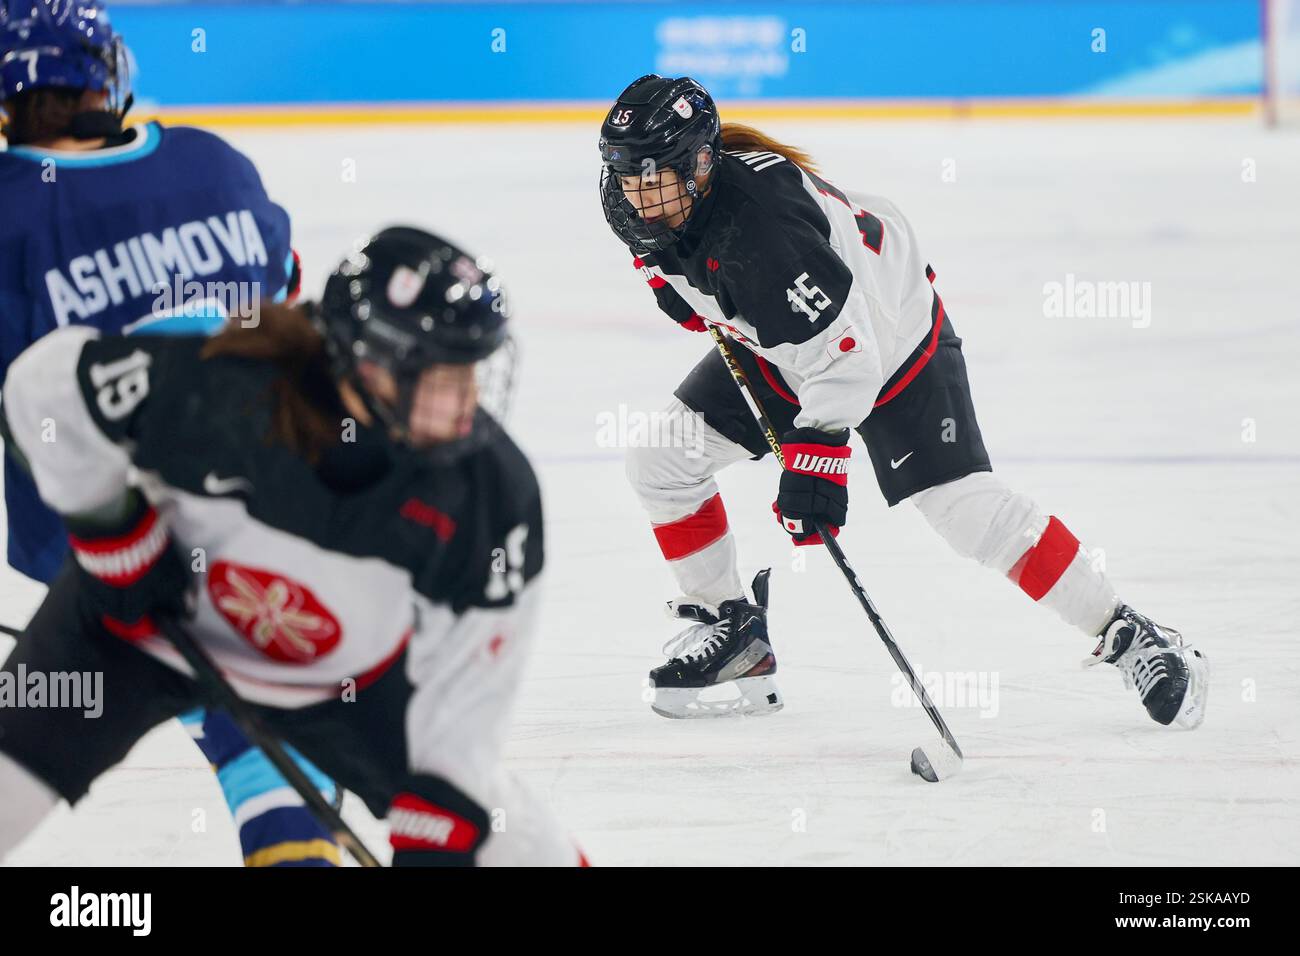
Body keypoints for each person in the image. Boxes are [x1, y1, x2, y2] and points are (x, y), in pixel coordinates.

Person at [598, 74, 1208, 727]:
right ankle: (733, 633)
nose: (639, 196)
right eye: (628, 177)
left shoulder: (763, 234)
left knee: (968, 513)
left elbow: (851, 356)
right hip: (798, 342)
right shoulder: (656, 211)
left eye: (654, 176)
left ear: (700, 163)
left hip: (891, 339)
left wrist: (818, 456)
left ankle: (1132, 634)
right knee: (662, 459)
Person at [0, 225, 581, 866]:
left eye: (472, 374)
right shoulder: (218, 385)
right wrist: (117, 538)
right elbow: (44, 388)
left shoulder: (488, 491)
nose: (468, 405)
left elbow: (472, 687)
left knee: (514, 846)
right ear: (368, 364)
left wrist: (440, 820)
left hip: (340, 682)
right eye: (444, 377)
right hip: (134, 627)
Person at [0, 0, 349, 866]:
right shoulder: (211, 162)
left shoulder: (10, 211)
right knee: (264, 743)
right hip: (267, 538)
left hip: (109, 567)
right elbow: (281, 298)